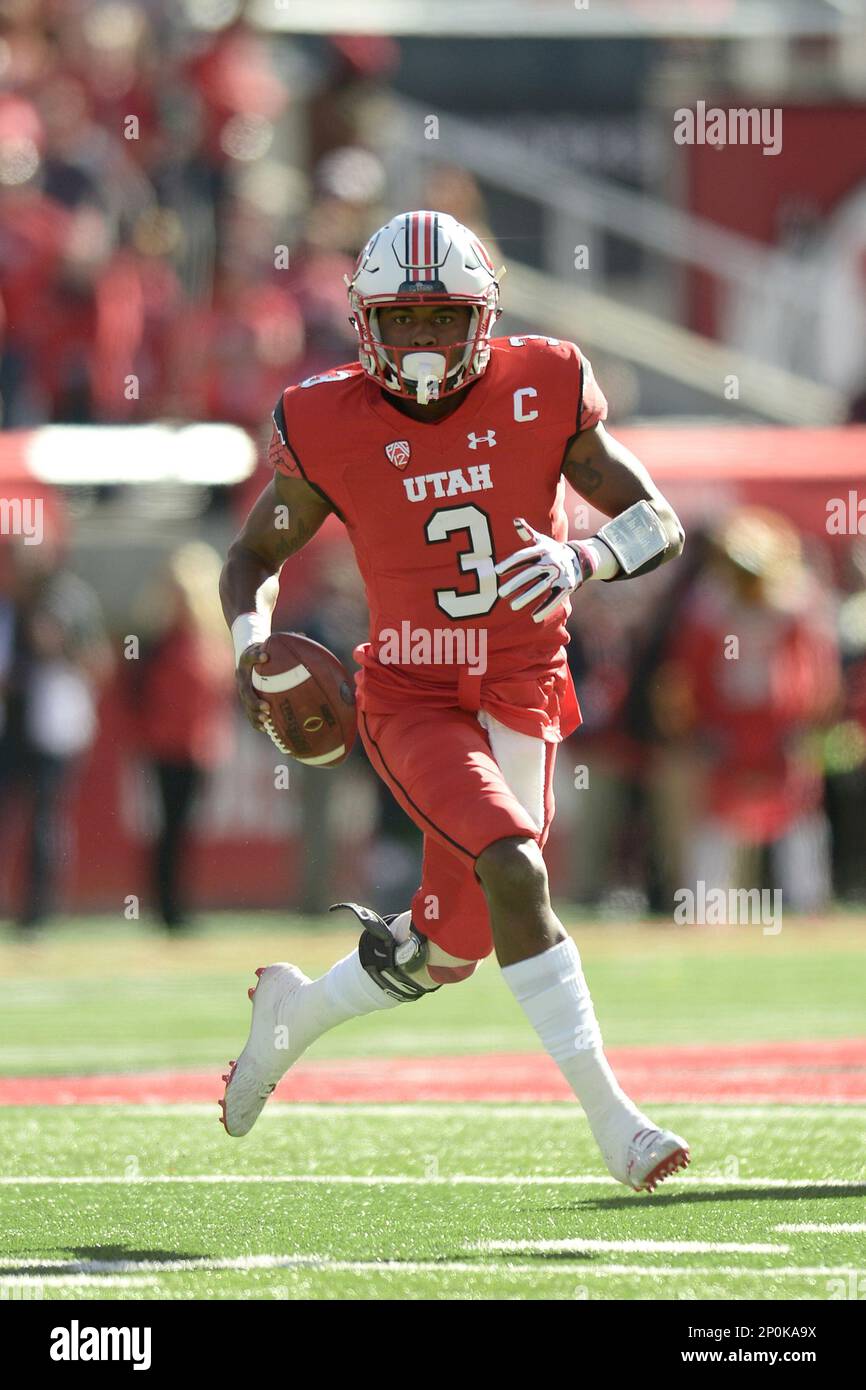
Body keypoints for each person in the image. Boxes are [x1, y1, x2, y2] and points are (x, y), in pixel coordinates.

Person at [218, 211, 688, 1192]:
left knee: (448, 945)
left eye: (442, 319)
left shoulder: (546, 380)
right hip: (413, 695)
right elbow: (252, 558)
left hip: (523, 686)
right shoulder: (324, 418)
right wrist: (252, 644)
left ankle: (293, 1013)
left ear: (483, 317)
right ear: (362, 324)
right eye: (404, 321)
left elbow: (658, 520)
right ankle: (617, 1125)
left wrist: (581, 555)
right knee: (514, 868)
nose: (424, 344)